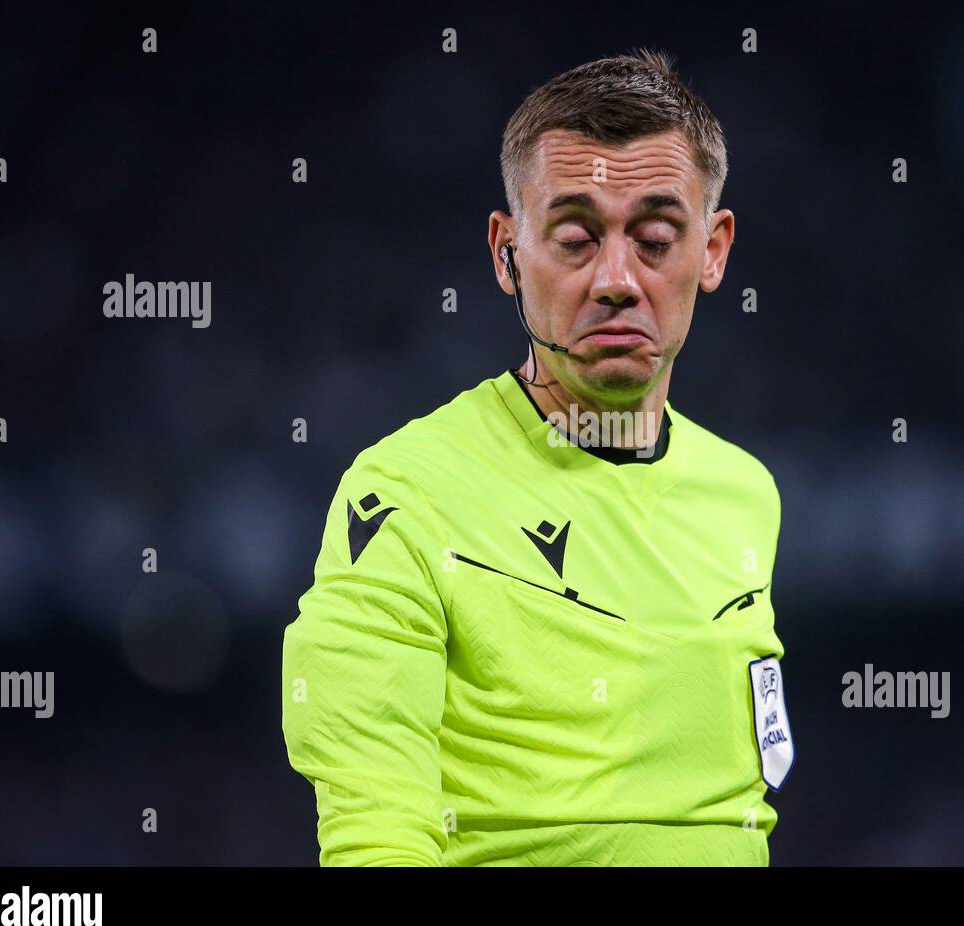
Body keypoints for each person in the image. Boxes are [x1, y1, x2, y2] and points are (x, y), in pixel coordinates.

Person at [281, 48, 793, 866]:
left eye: (657, 238)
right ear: (507, 251)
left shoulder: (744, 494)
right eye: (576, 238)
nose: (618, 279)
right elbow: (373, 825)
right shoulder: (403, 494)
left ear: (715, 249)